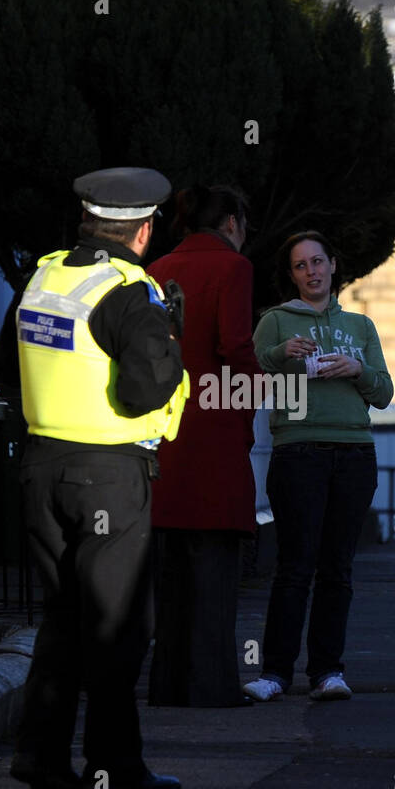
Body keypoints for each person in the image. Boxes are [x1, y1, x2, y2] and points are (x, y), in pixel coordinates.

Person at [10, 167, 189, 789]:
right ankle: (116, 768)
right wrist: (171, 340)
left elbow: (14, 370)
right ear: (143, 231)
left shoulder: (45, 275)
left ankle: (41, 757)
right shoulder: (128, 292)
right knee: (115, 629)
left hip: (40, 466)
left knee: (62, 619)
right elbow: (144, 390)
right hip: (106, 474)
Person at [242, 231, 393, 703]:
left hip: (353, 453)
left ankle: (328, 672)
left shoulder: (361, 326)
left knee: (337, 569)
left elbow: (384, 394)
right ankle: (275, 673)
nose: (311, 272)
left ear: (332, 265)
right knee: (294, 567)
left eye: (318, 262)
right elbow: (248, 379)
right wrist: (278, 356)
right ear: (291, 275)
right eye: (301, 265)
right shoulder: (275, 321)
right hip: (298, 452)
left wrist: (356, 370)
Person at [146, 185, 263, 708]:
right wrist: (260, 394)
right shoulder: (234, 269)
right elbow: (235, 345)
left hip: (167, 427)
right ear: (233, 222)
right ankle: (212, 685)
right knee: (216, 569)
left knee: (172, 572)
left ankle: (168, 684)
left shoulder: (158, 267)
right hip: (215, 429)